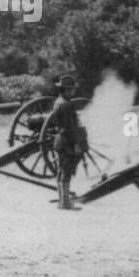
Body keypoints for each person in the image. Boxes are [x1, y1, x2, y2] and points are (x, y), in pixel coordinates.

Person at [47, 75, 85, 211]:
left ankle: (62, 200)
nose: (73, 91)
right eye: (72, 89)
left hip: (59, 139)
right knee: (67, 171)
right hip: (67, 141)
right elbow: (70, 127)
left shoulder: (58, 101)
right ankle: (65, 202)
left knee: (61, 170)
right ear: (67, 90)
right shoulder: (67, 104)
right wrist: (76, 144)